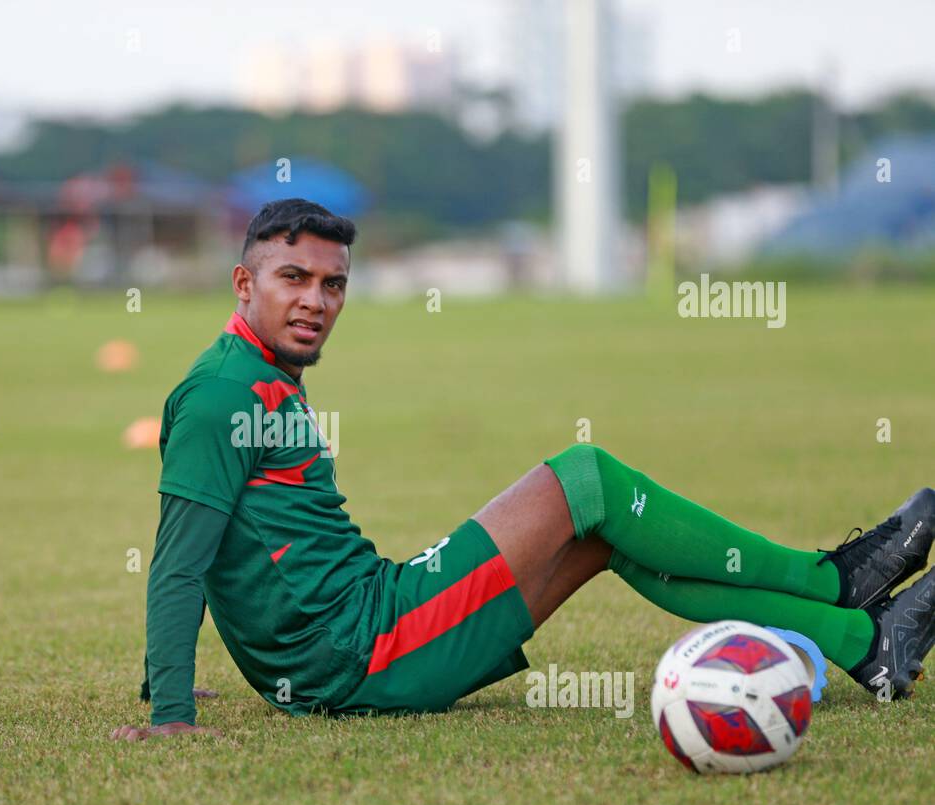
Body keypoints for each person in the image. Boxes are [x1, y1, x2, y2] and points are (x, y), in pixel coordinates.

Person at [111, 198, 935, 741]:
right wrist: (172, 714)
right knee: (588, 479)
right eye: (293, 279)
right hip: (358, 647)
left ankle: (867, 642)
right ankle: (834, 580)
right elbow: (181, 554)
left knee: (603, 538)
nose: (316, 301)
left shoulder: (256, 375)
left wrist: (159, 684)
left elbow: (217, 539)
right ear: (243, 282)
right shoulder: (224, 396)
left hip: (363, 620)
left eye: (333, 284)